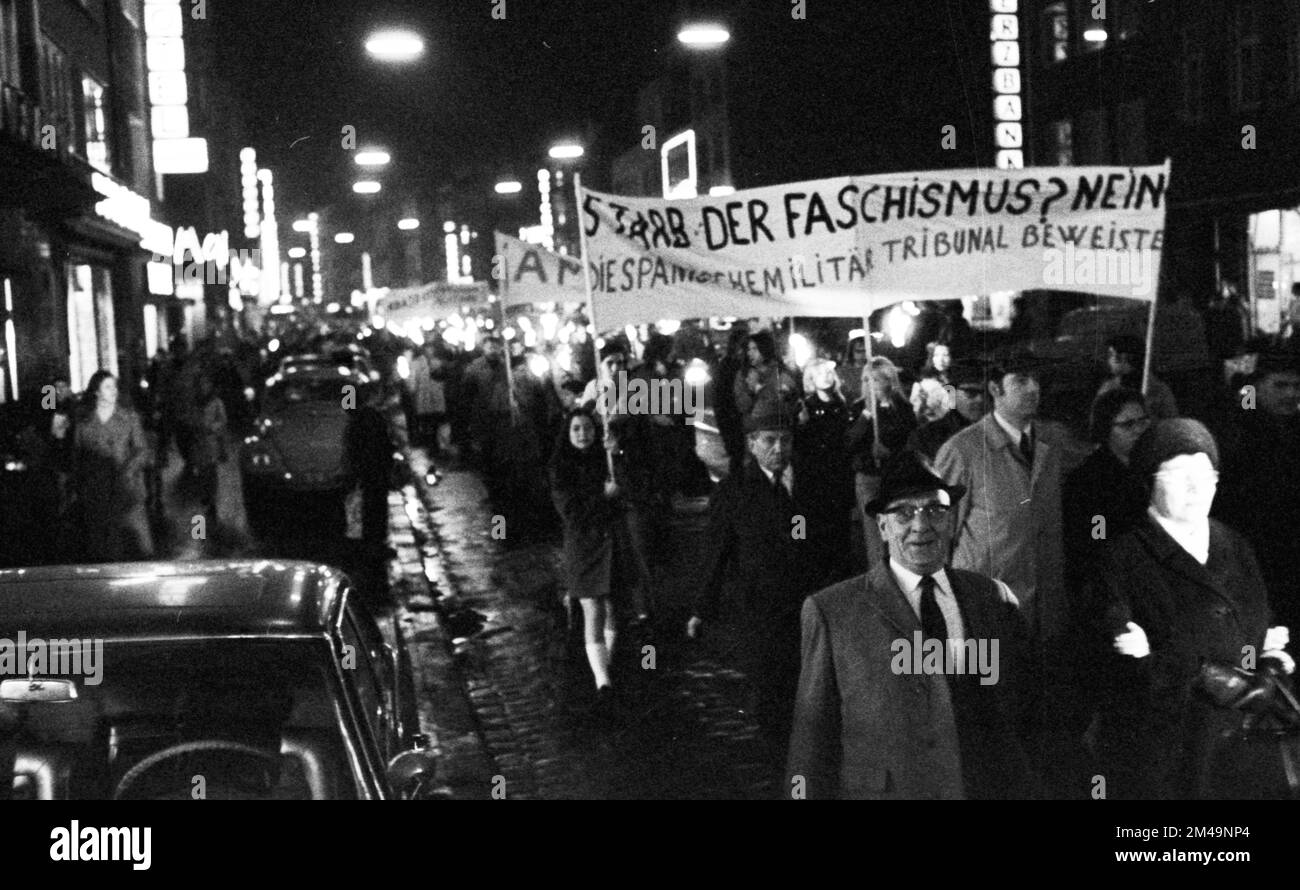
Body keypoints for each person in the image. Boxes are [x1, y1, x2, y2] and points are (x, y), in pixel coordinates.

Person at [786, 451, 1036, 799]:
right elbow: (811, 743)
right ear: (883, 526)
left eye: (935, 510)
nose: (921, 525)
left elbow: (1028, 715)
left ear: (951, 520)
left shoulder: (992, 600)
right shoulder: (833, 612)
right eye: (904, 513)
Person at [1090, 419, 1295, 799]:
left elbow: (1263, 628)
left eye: (1205, 473)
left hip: (1241, 743)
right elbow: (1118, 664)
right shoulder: (1122, 557)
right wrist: (1201, 673)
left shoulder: (1235, 545)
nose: (1196, 486)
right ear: (1148, 481)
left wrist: (1268, 665)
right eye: (1179, 473)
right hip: (1168, 750)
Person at [687, 407, 827, 766]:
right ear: (752, 444)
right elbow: (715, 552)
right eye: (769, 440)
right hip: (761, 605)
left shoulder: (811, 483)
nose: (778, 448)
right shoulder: (734, 492)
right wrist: (703, 606)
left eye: (785, 440)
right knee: (771, 689)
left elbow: (830, 541)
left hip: (809, 601)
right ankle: (783, 760)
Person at [935, 354, 1086, 645]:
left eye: (1036, 381)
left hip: (1045, 607)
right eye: (1020, 381)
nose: (1033, 389)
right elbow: (941, 531)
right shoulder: (963, 451)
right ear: (994, 389)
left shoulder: (1053, 443)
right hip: (988, 605)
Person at [1214, 352, 1300, 635]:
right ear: (1256, 387)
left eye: (1296, 386)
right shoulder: (1238, 433)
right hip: (1258, 553)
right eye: (1280, 385)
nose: (1291, 394)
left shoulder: (1289, 426)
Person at [549, 408, 628, 703]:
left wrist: (617, 454)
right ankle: (602, 681)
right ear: (567, 434)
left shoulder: (603, 460)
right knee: (592, 608)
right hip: (583, 545)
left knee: (612, 607)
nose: (583, 434)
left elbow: (627, 490)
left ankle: (605, 663)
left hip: (610, 543)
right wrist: (602, 497)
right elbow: (571, 512)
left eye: (588, 429)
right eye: (576, 429)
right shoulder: (560, 468)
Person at [73, 370, 154, 561]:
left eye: (115, 386)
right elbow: (77, 457)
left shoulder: (129, 417)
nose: (114, 391)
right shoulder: (85, 422)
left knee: (139, 547)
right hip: (97, 493)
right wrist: (80, 487)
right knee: (102, 548)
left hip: (128, 492)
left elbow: (141, 449)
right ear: (96, 391)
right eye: (108, 387)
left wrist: (128, 470)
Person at [846, 357, 917, 567]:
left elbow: (911, 440)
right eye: (867, 380)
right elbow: (850, 441)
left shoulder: (902, 408)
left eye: (876, 380)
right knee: (874, 534)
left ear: (889, 381)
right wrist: (866, 415)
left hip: (895, 475)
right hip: (869, 476)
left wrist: (891, 452)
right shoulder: (859, 408)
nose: (871, 385)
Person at [794, 358, 854, 584]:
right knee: (816, 523)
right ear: (811, 379)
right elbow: (802, 441)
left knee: (840, 523)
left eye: (829, 373)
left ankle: (842, 568)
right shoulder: (806, 406)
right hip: (816, 473)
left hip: (839, 470)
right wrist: (802, 424)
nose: (827, 377)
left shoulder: (841, 403)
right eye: (820, 373)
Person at [907, 359, 989, 459]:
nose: (980, 399)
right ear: (952, 393)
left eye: (986, 393)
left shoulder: (1001, 431)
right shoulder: (926, 438)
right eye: (971, 393)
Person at [1095, 335, 1178, 420]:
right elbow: (1099, 422)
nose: (1109, 360)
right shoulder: (1108, 388)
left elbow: (1171, 424)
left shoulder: (1159, 390)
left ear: (1120, 358)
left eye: (1111, 355)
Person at [733, 330, 801, 425]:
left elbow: (793, 402)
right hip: (756, 427)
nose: (750, 353)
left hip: (781, 425)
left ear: (765, 349)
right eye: (748, 349)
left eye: (755, 349)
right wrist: (751, 390)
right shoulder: (744, 374)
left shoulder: (781, 371)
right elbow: (742, 406)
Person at [189, 372, 229, 526]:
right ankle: (204, 496)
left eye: (205, 383)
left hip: (211, 441)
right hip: (198, 441)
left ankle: (211, 499)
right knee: (201, 470)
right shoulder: (195, 402)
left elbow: (222, 420)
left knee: (211, 470)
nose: (202, 387)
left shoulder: (216, 402)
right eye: (200, 384)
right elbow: (190, 417)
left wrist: (212, 428)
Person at [909, 341, 952, 424]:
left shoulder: (955, 383)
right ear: (931, 358)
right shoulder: (922, 385)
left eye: (945, 355)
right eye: (936, 355)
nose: (941, 360)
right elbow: (917, 414)